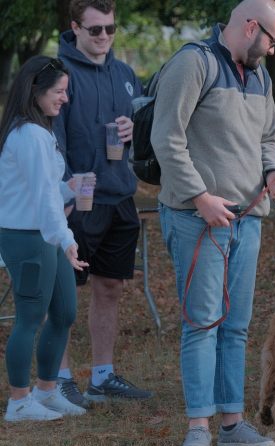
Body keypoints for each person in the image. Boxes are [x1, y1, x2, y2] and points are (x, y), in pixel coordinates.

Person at [153, 0, 275, 446]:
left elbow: (267, 138)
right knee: (202, 323)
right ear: (251, 27)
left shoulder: (260, 76)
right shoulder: (194, 63)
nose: (272, 51)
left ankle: (232, 425)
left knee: (236, 326)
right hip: (197, 220)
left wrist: (272, 172)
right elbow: (166, 139)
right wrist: (200, 198)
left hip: (247, 219)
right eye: (271, 41)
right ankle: (198, 427)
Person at [53, 0, 151, 406]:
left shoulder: (125, 73)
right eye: (95, 30)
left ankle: (102, 376)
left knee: (109, 285)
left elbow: (146, 134)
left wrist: (134, 126)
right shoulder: (57, 75)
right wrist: (61, 194)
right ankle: (56, 378)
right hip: (77, 202)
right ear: (75, 27)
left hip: (120, 195)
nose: (104, 37)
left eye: (110, 29)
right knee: (62, 290)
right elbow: (49, 141)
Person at [0, 56, 90, 421]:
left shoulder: (40, 131)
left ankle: (47, 391)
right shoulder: (30, 134)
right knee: (30, 316)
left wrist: (68, 189)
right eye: (59, 91)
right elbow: (40, 198)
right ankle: (19, 402)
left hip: (45, 234)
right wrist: (66, 237)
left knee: (65, 311)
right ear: (35, 91)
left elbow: (45, 190)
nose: (64, 99)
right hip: (27, 236)